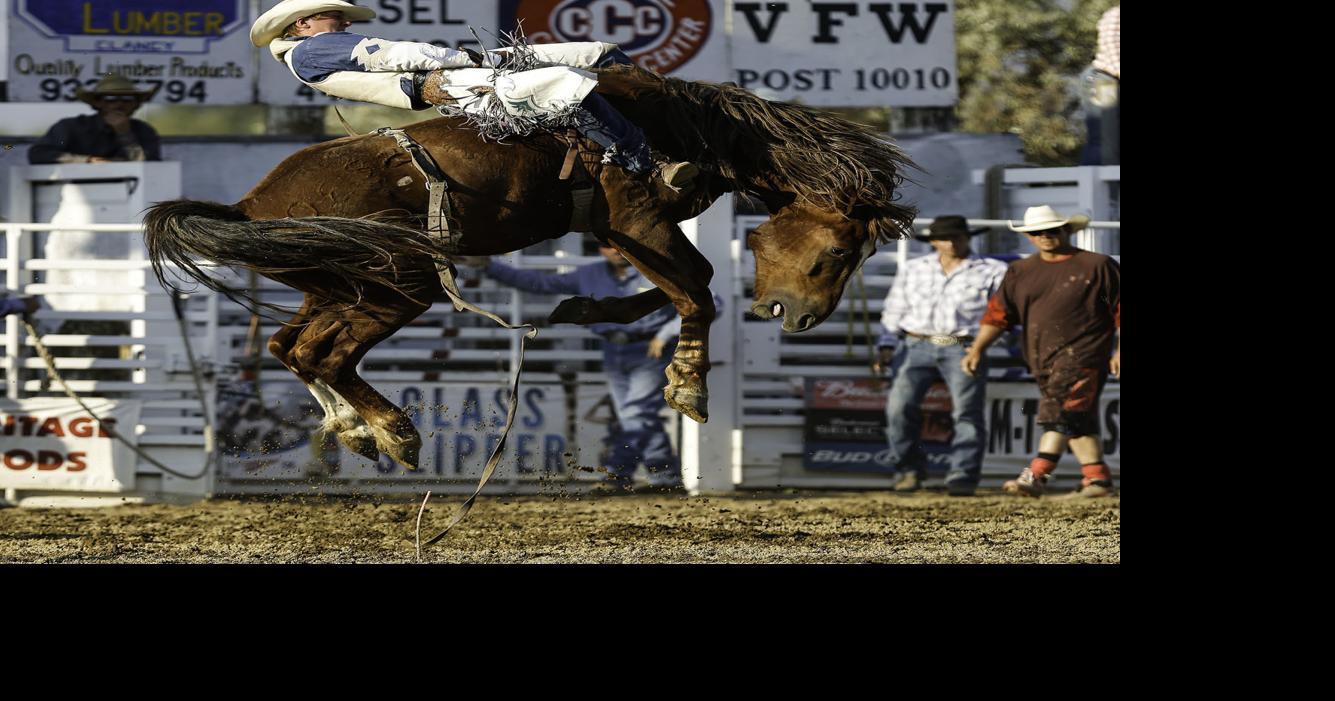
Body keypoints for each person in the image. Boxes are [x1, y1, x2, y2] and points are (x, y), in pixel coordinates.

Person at [249, 0, 695, 185]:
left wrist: (470, 59)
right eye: (334, 15)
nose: (345, 21)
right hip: (452, 85)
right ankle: (646, 161)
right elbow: (390, 55)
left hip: (460, 73)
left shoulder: (312, 49)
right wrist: (465, 58)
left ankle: (675, 115)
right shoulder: (313, 49)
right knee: (562, 83)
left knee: (595, 51)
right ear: (301, 24)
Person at [455, 244, 685, 493]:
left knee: (635, 413)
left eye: (619, 245)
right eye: (608, 245)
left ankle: (621, 474)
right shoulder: (590, 275)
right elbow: (541, 283)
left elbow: (701, 299)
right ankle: (663, 476)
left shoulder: (655, 273)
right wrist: (490, 267)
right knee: (635, 415)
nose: (615, 250)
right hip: (614, 349)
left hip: (652, 350)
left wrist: (665, 334)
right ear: (601, 249)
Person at [961, 206, 1120, 498]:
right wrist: (977, 349)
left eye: (1052, 230)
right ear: (1029, 236)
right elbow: (998, 315)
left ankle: (1036, 475)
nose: (1045, 236)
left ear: (1066, 230)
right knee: (1076, 417)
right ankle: (1097, 480)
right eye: (1037, 232)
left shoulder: (1098, 265)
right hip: (1041, 357)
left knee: (1059, 412)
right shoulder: (1021, 271)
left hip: (1084, 354)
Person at [875, 216, 1009, 497]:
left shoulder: (993, 270)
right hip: (915, 341)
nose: (951, 243)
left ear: (967, 238)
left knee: (967, 413)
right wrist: (886, 345)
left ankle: (963, 476)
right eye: (945, 238)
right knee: (899, 409)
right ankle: (909, 469)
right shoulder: (914, 269)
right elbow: (895, 308)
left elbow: (1000, 313)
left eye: (957, 237)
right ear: (934, 241)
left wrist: (981, 347)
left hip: (965, 345)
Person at [28, 74, 162, 165]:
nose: (119, 104)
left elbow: (149, 167)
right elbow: (39, 154)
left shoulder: (144, 131)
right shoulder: (71, 127)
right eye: (111, 99)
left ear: (136, 104)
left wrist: (125, 134)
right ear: (98, 103)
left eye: (127, 99)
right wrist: (87, 161)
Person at [1080, 4, 1119, 165]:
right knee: (1104, 138)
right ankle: (1094, 179)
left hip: (1112, 79)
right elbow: (1113, 52)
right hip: (1104, 80)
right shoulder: (1116, 16)